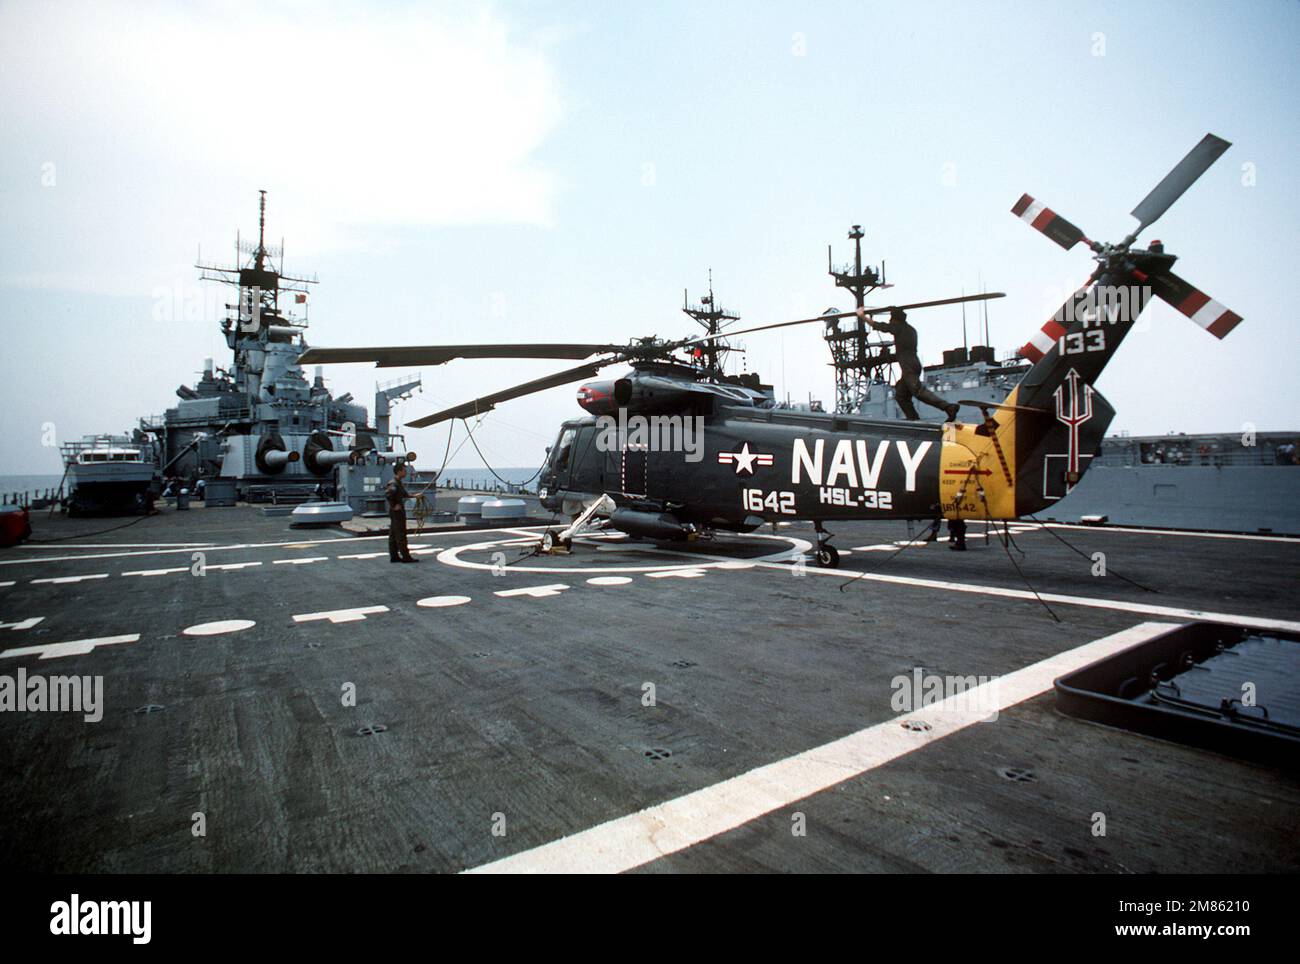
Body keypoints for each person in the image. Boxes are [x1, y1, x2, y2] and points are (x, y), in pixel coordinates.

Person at [862, 307, 960, 422]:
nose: (890, 321)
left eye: (891, 320)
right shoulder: (911, 330)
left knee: (917, 390)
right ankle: (913, 419)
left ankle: (948, 407)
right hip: (914, 362)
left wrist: (863, 317)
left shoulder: (899, 327)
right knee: (901, 394)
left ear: (896, 320)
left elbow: (883, 327)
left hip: (908, 363)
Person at [386, 463, 418, 564]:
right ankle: (406, 556)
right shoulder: (394, 483)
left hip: (396, 511)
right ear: (399, 471)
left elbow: (404, 494)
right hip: (397, 512)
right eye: (404, 470)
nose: (406, 472)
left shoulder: (398, 483)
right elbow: (388, 494)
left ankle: (394, 556)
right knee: (400, 534)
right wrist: (394, 505)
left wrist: (415, 496)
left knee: (393, 534)